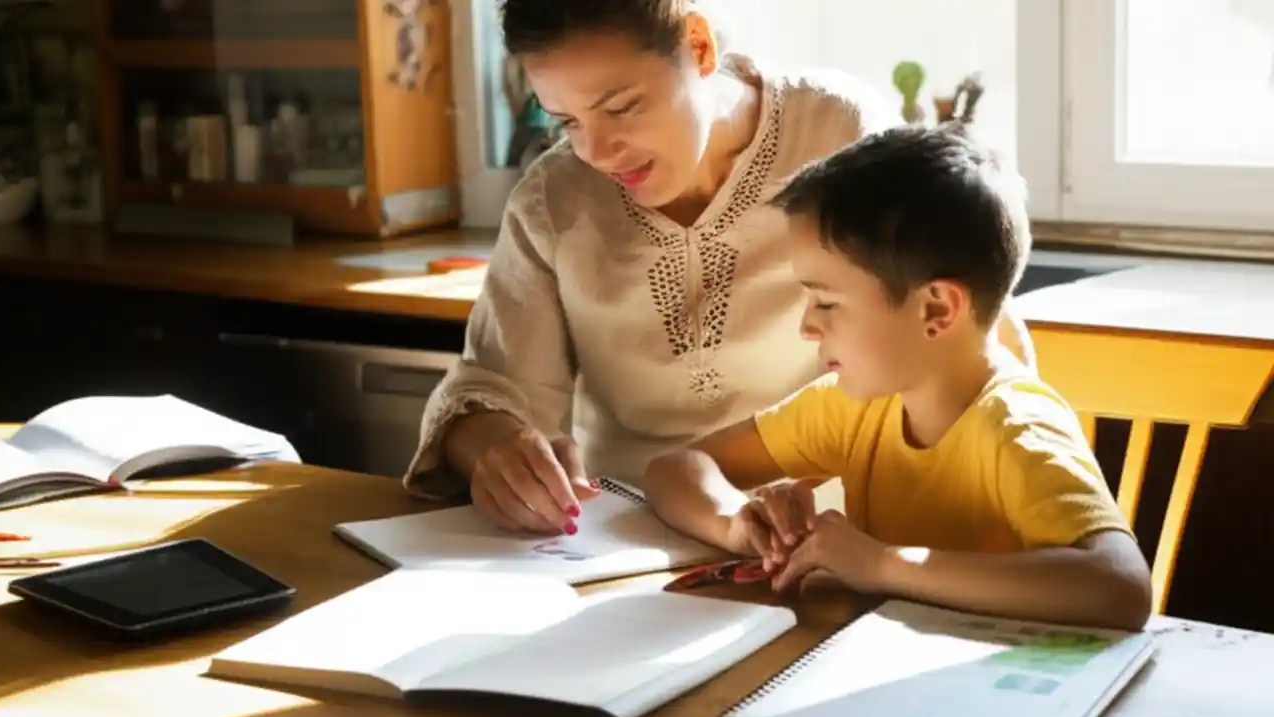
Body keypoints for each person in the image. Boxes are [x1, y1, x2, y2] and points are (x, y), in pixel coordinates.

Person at [405, 0, 1035, 537]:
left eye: (620, 107)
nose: (595, 151)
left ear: (698, 47)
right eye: (567, 121)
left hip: (828, 543)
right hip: (620, 544)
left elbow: (972, 344)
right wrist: (494, 450)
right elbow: (490, 390)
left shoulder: (841, 131)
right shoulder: (553, 201)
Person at [642, 126, 1152, 631]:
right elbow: (675, 468)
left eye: (827, 302)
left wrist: (885, 564)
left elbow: (1121, 586)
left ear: (936, 309)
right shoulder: (858, 407)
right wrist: (735, 522)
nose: (807, 325)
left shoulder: (1017, 429)